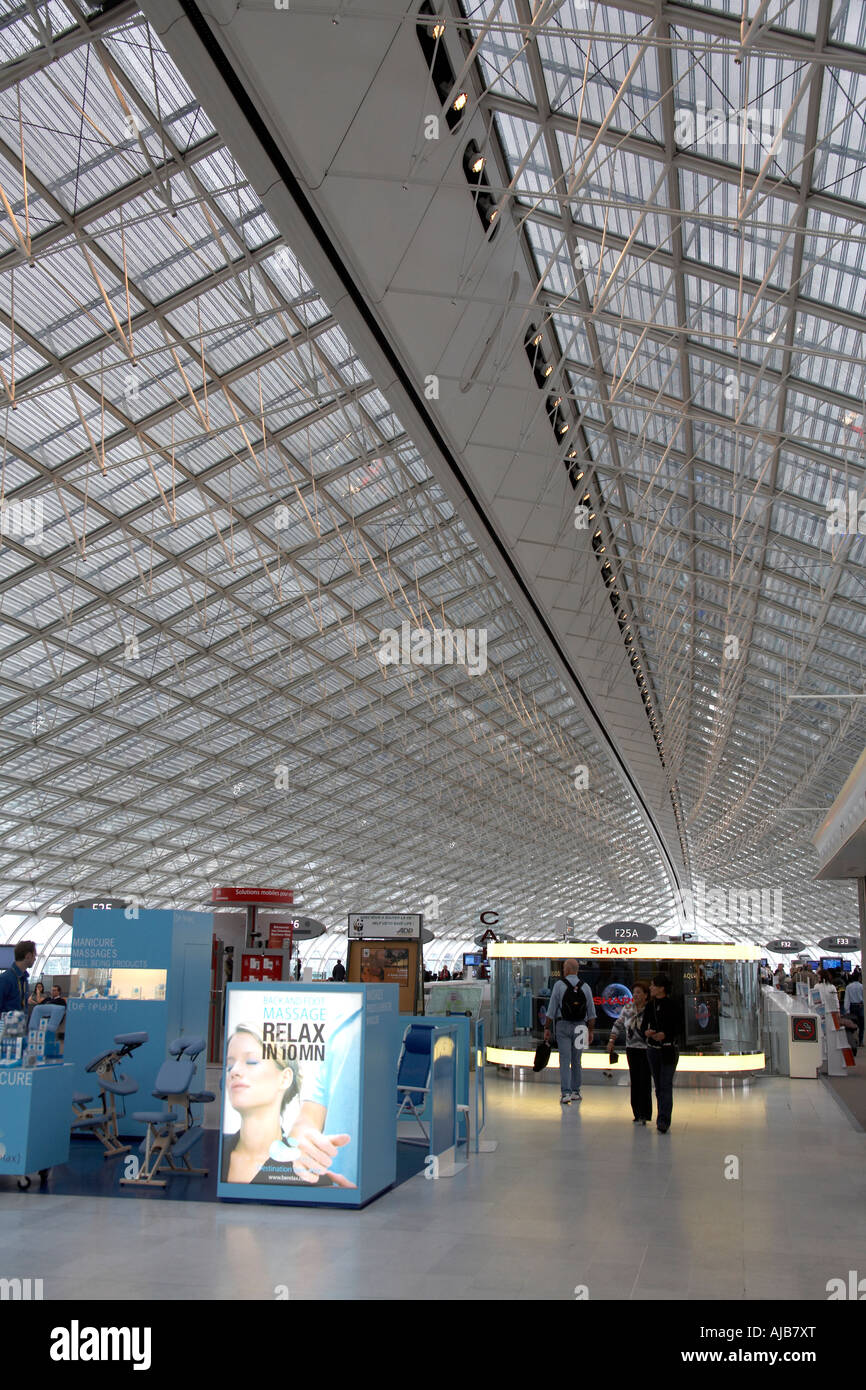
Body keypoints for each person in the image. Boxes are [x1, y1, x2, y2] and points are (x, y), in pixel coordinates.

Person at [221, 1024, 354, 1187]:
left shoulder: (307, 1169)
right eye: (229, 1065)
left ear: (285, 1078)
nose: (234, 1071)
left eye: (251, 1061)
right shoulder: (218, 1154)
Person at [543, 958, 595, 1104]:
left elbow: (551, 1009)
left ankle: (565, 1093)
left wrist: (547, 1028)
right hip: (581, 1027)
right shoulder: (586, 987)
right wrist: (590, 1031)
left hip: (563, 1026)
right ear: (577, 970)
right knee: (577, 1060)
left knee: (565, 1060)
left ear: (567, 969)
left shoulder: (559, 985)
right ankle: (576, 1092)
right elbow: (592, 1012)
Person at [640, 973, 681, 1134]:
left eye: (652, 985)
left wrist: (665, 1034)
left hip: (668, 1049)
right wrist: (648, 1032)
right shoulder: (650, 1006)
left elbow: (678, 1027)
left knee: (665, 1085)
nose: (650, 988)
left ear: (661, 988)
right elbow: (643, 1026)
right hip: (653, 1049)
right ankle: (661, 1116)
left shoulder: (672, 1005)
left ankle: (664, 1119)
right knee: (658, 1085)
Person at [607, 980, 652, 1124]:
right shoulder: (627, 1008)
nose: (636, 995)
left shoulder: (649, 1009)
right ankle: (637, 1112)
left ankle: (645, 1113)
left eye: (639, 992)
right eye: (634, 993)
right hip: (631, 1048)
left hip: (646, 1049)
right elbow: (618, 1024)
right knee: (635, 1079)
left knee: (645, 1080)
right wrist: (611, 1040)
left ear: (646, 995)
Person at [0, 940, 36, 1017]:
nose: (35, 959)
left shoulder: (24, 979)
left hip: (20, 1026)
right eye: (34, 955)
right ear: (28, 956)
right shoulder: (5, 979)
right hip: (6, 1026)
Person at [843, 975, 863, 1044]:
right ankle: (861, 1041)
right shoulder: (862, 986)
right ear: (859, 978)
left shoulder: (848, 987)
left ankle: (854, 1040)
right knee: (862, 1025)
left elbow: (847, 999)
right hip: (860, 1006)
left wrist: (847, 1009)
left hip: (852, 1006)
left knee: (852, 1024)